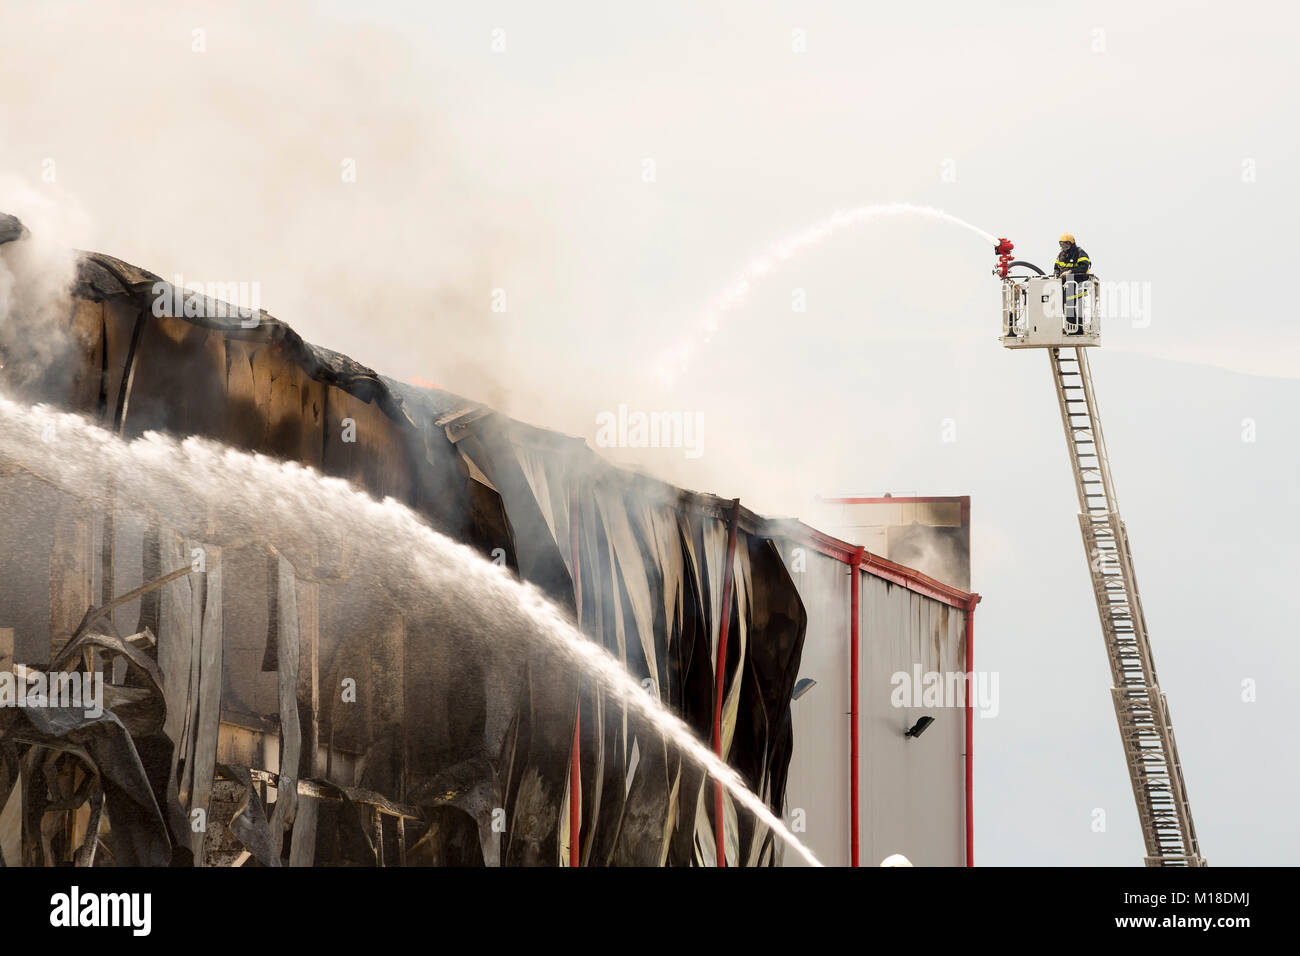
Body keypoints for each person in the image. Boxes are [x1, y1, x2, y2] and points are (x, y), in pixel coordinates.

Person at [1053, 233, 1092, 333]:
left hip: (1078, 283)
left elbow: (1084, 267)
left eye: (1066, 244)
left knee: (1073, 306)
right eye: (1061, 244)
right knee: (1065, 306)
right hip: (1066, 284)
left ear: (1072, 243)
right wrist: (1056, 274)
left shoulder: (1080, 253)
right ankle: (1070, 327)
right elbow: (1057, 267)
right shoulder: (1061, 255)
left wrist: (1070, 272)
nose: (1064, 247)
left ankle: (1078, 329)